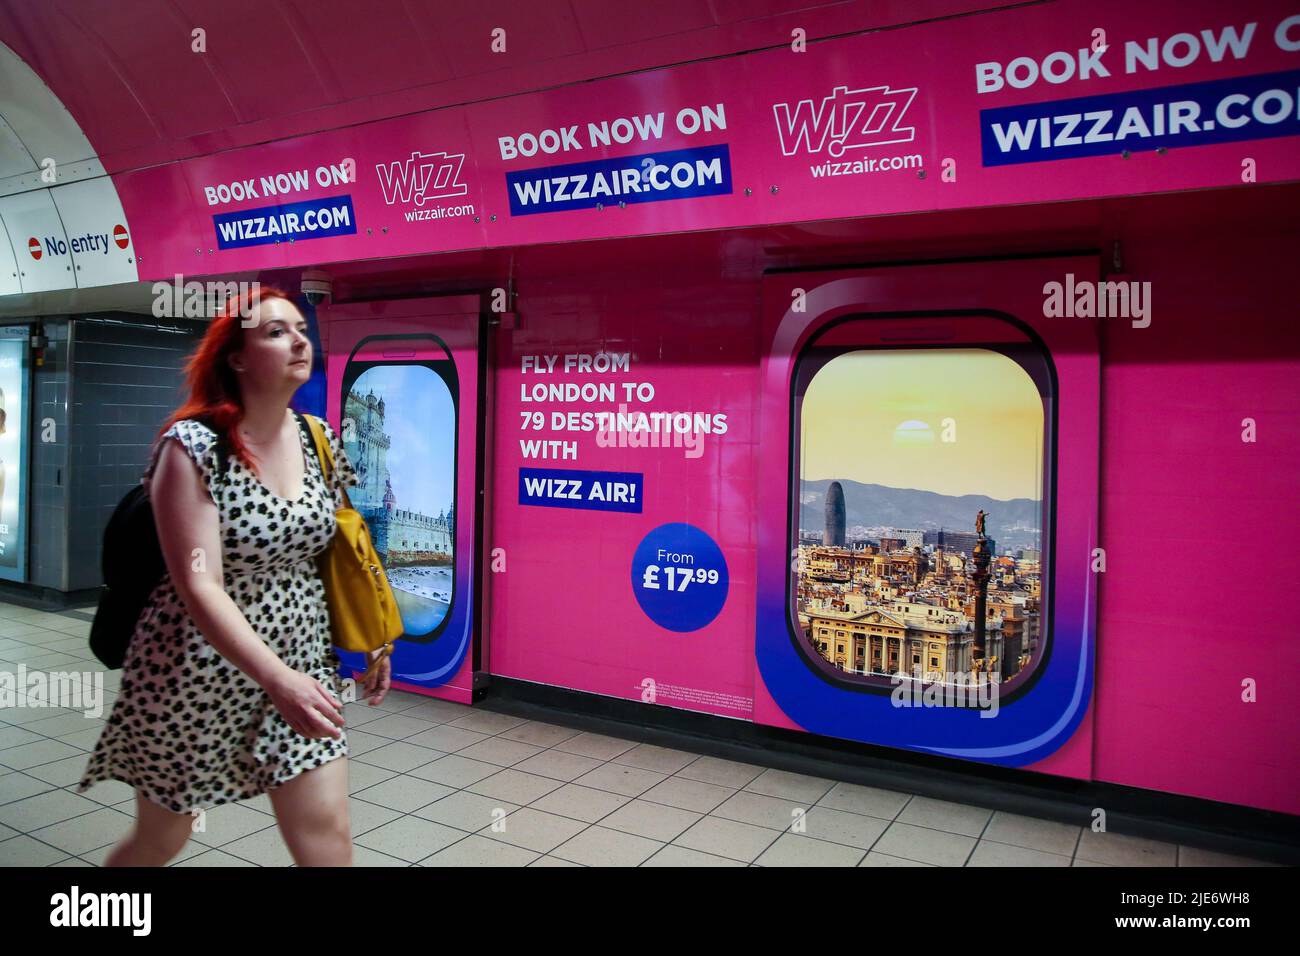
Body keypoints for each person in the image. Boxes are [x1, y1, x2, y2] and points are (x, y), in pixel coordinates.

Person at [77, 287, 392, 866]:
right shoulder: (193, 448)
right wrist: (276, 678)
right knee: (161, 838)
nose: (299, 339)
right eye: (276, 331)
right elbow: (200, 584)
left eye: (301, 328)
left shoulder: (317, 438)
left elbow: (341, 547)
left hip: (300, 664)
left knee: (327, 835)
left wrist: (372, 633)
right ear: (237, 358)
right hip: (193, 671)